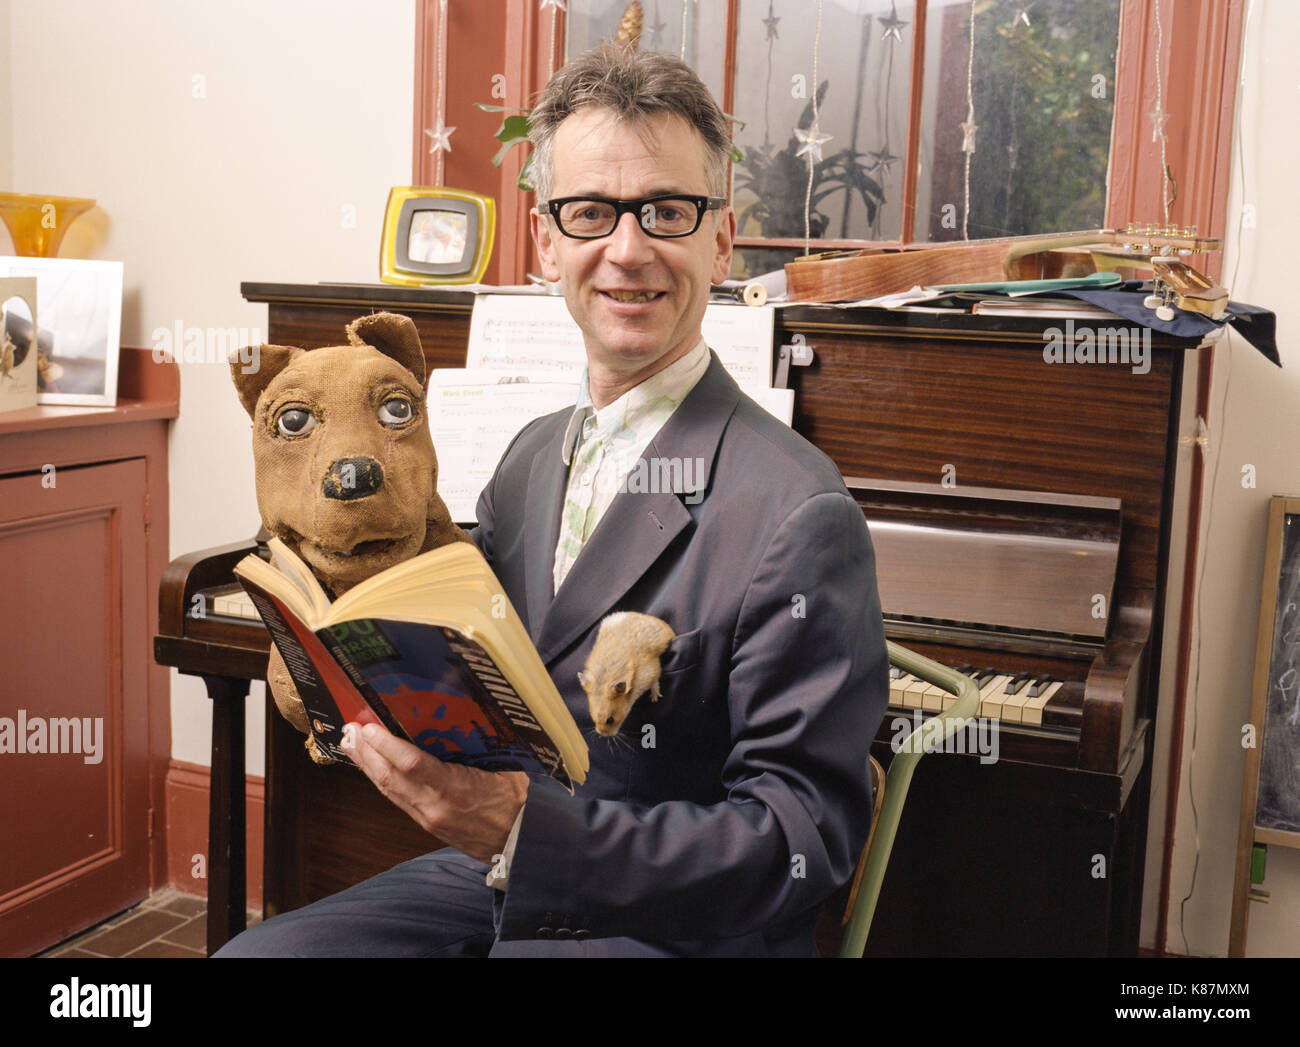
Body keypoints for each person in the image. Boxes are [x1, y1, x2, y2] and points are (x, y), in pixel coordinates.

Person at [216, 44, 887, 958]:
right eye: (589, 212)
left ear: (720, 237)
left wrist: (525, 831)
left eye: (666, 210)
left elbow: (802, 842)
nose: (626, 247)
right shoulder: (531, 457)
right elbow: (465, 654)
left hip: (673, 929)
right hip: (496, 880)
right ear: (546, 243)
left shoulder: (800, 510)